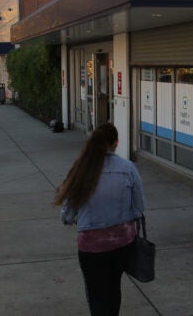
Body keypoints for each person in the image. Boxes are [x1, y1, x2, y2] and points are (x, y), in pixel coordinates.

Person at [54, 123, 145, 316]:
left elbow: (67, 215)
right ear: (116, 143)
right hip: (122, 244)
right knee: (113, 288)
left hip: (91, 247)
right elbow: (139, 209)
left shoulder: (83, 169)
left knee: (96, 292)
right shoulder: (128, 168)